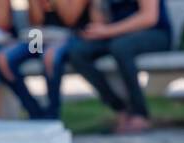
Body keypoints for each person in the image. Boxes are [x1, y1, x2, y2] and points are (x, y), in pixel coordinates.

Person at [64, 0, 172, 133]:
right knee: (78, 53)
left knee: (121, 47)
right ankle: (120, 109)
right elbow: (101, 22)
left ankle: (140, 114)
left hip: (154, 34)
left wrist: (108, 31)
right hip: (117, 35)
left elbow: (149, 17)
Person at [0, 0, 90, 120]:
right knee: (3, 59)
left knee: (50, 57)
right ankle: (34, 111)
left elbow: (70, 18)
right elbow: (36, 22)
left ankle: (52, 113)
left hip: (71, 34)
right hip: (40, 35)